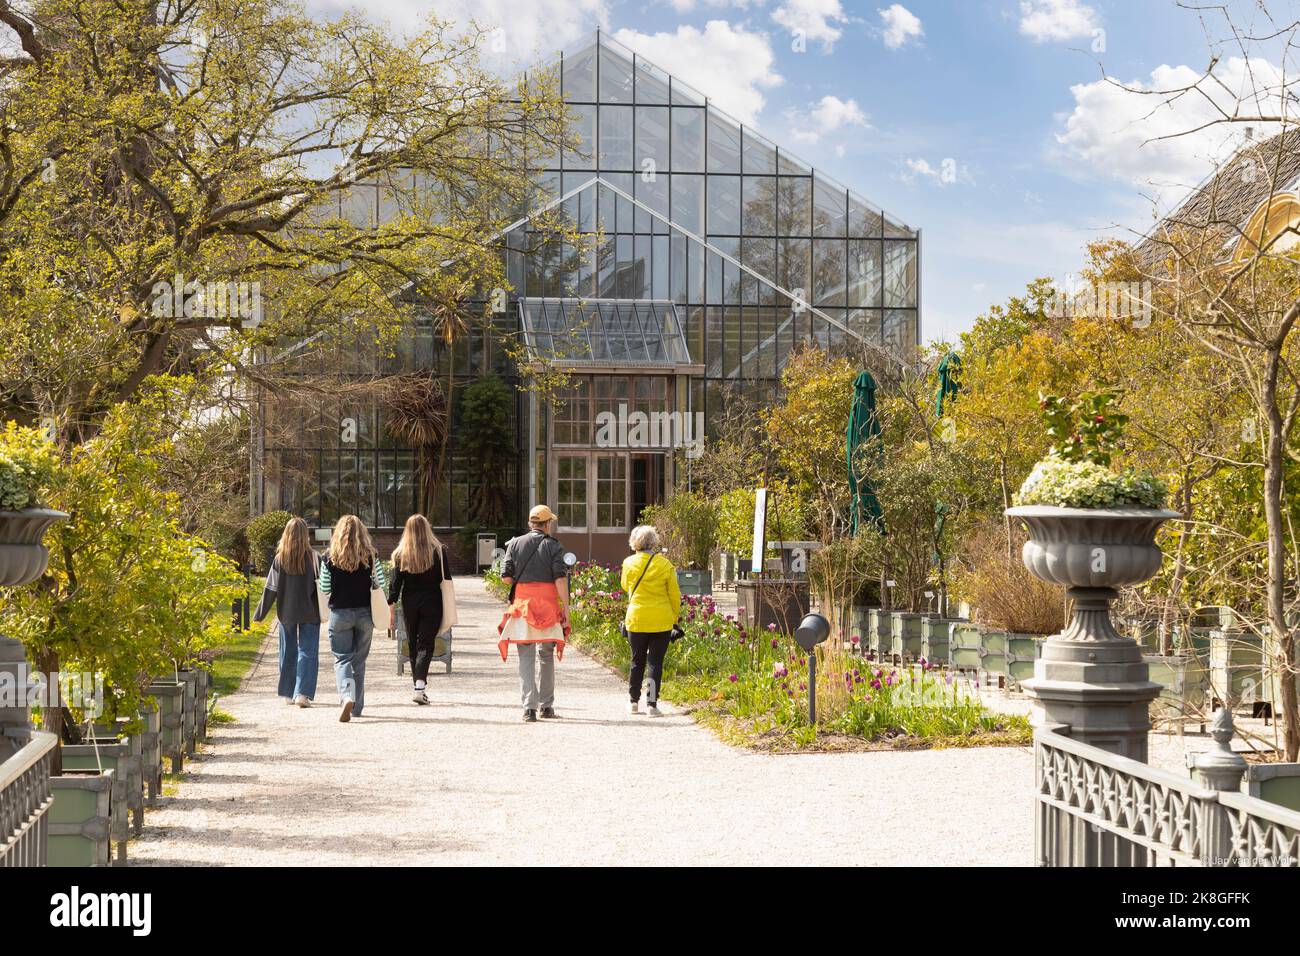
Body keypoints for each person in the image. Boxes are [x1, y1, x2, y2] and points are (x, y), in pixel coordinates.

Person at [498, 505, 570, 723]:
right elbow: (560, 578)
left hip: (523, 606)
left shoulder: (515, 544)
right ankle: (547, 706)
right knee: (546, 656)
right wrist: (566, 608)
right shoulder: (553, 545)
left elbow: (507, 578)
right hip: (547, 605)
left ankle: (529, 708)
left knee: (526, 656)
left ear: (531, 523)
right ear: (547, 524)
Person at [320, 515, 386, 723]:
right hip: (365, 614)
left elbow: (325, 588)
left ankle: (347, 695)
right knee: (359, 661)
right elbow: (380, 583)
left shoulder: (329, 557)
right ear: (362, 532)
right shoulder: (371, 556)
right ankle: (356, 708)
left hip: (340, 614)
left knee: (342, 659)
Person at [252, 516, 322, 708]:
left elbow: (270, 589)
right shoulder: (315, 558)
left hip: (287, 612)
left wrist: (260, 613)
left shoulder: (279, 559)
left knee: (288, 651)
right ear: (305, 535)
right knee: (308, 652)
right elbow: (324, 587)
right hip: (310, 611)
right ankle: (303, 693)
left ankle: (288, 692)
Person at [620, 525, 681, 717]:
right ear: (654, 542)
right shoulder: (665, 565)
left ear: (634, 543)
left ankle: (633, 702)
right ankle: (652, 705)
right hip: (661, 620)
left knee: (636, 661)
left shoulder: (629, 563)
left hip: (637, 619)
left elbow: (624, 585)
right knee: (655, 663)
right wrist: (674, 618)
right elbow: (674, 595)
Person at [387, 514, 448, 705]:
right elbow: (446, 580)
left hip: (410, 602)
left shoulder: (401, 553)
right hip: (432, 601)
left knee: (413, 643)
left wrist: (390, 610)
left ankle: (418, 688)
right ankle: (419, 687)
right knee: (426, 644)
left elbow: (395, 585)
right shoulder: (438, 551)